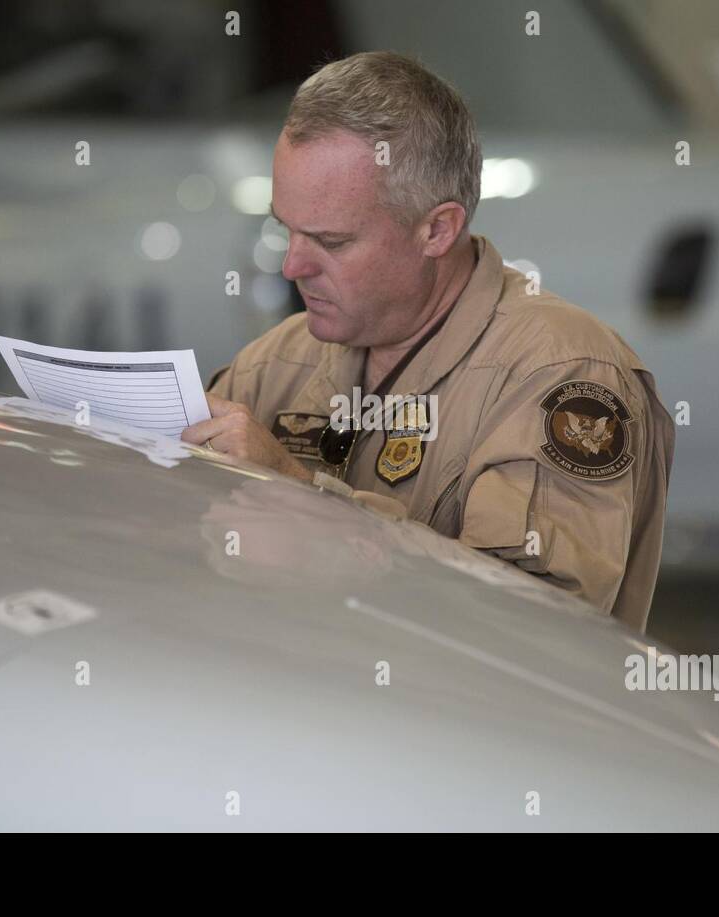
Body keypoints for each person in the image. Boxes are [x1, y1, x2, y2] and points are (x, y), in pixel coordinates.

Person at [182, 51, 674, 632]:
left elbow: (534, 621)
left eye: (331, 242)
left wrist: (297, 494)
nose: (291, 266)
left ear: (437, 229)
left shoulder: (562, 375)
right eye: (285, 229)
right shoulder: (276, 362)